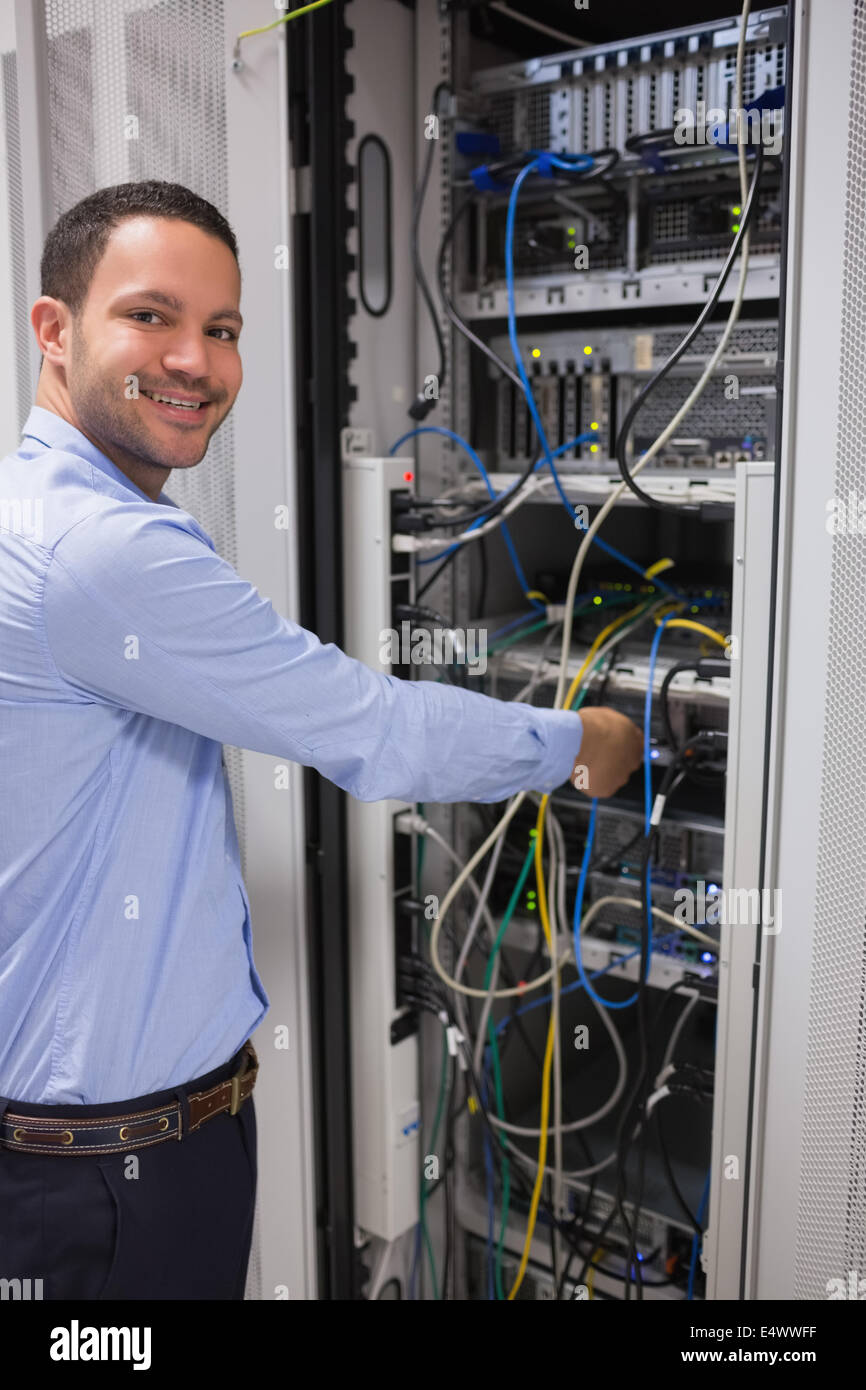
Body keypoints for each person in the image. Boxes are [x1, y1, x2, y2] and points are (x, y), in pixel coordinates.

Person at [0, 181, 643, 1300]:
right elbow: (374, 731)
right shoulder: (99, 551)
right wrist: (578, 741)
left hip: (103, 1157)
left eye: (223, 329)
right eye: (150, 316)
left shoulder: (36, 513)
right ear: (54, 328)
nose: (194, 360)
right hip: (106, 1185)